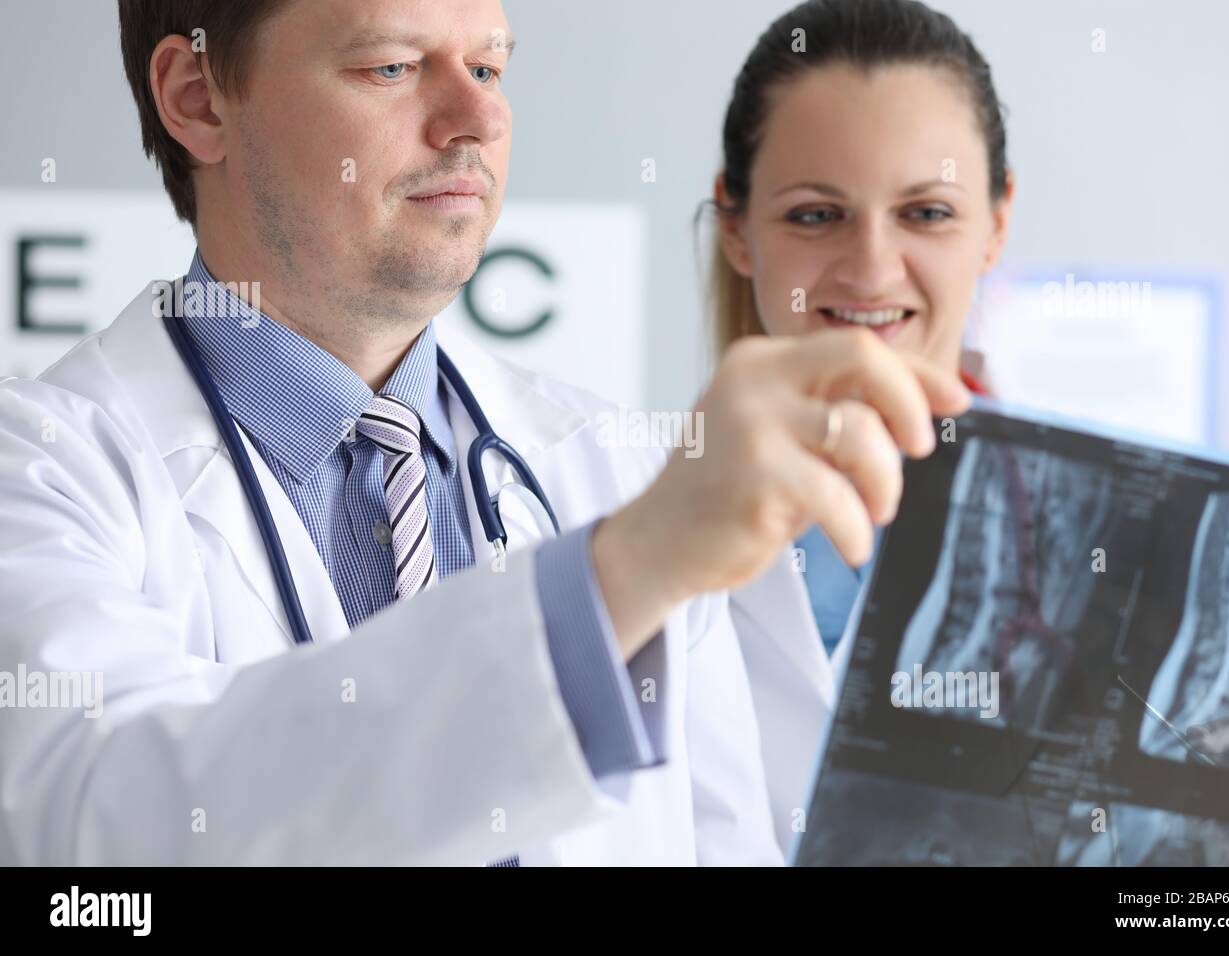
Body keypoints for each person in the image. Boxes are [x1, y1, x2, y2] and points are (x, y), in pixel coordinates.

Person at [0, 0, 969, 865]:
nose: (479, 119)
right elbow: (109, 818)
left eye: (490, 67)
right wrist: (616, 578)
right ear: (199, 98)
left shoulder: (619, 465)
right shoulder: (43, 475)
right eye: (390, 65)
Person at [704, 0, 1014, 852]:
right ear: (736, 228)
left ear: (998, 222)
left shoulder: (1118, 540)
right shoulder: (616, 513)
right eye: (815, 214)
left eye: (927, 212)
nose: (873, 268)